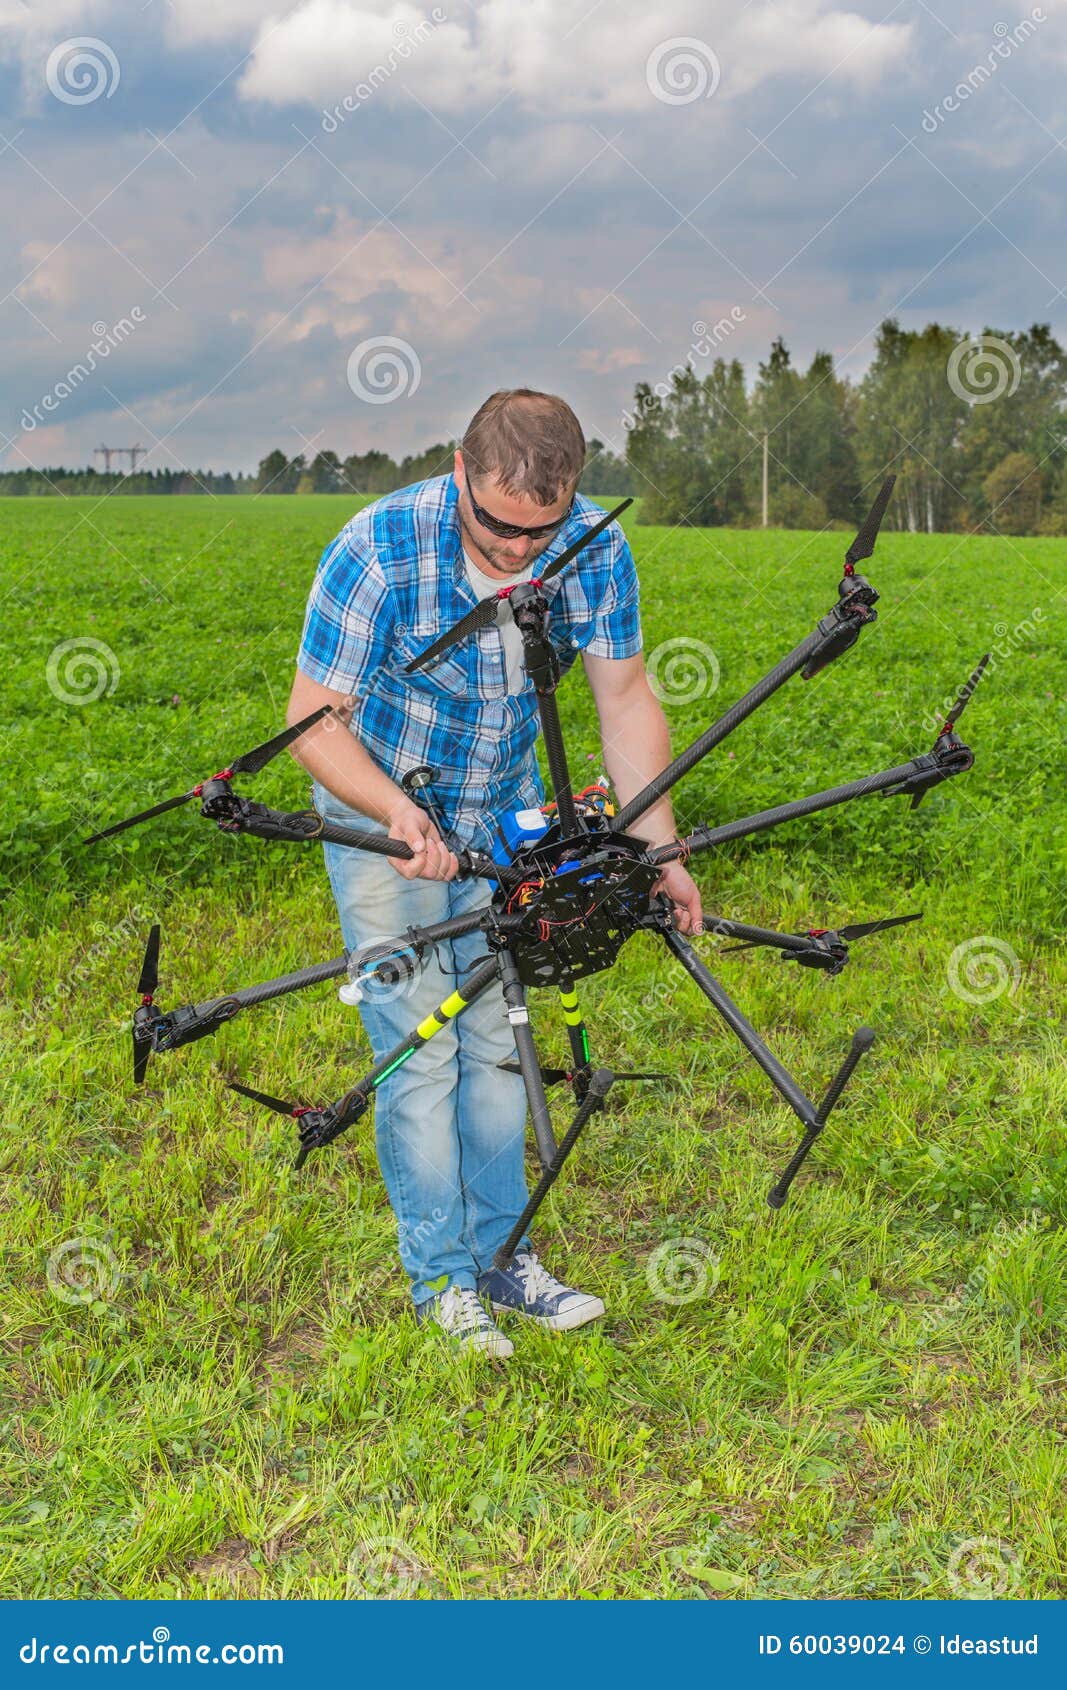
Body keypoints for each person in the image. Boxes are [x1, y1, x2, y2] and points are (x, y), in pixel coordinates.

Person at [286, 388, 702, 1358]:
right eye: (497, 528)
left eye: (539, 531)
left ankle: (503, 1257)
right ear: (460, 475)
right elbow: (313, 718)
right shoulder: (380, 545)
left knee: (496, 1037)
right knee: (418, 1046)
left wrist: (660, 850)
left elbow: (627, 702)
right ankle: (442, 1281)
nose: (518, 551)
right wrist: (394, 811)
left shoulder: (593, 546)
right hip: (377, 803)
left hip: (500, 810)